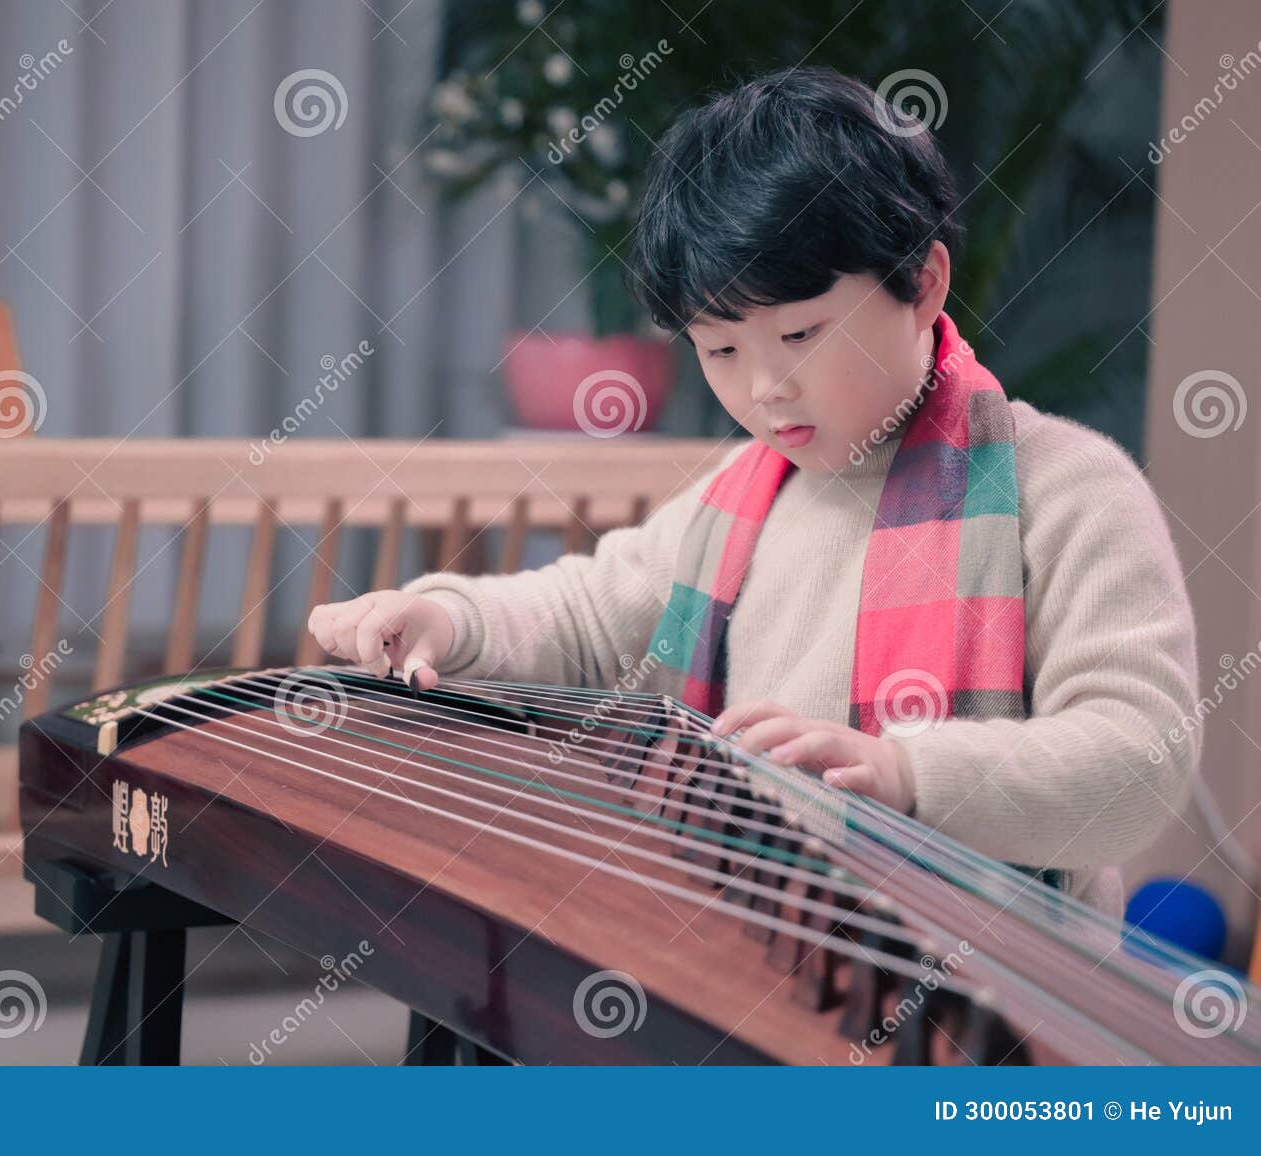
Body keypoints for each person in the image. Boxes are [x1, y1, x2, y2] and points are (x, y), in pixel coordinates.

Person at [305, 66, 1198, 921]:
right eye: (722, 349)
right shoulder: (743, 495)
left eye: (802, 334)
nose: (765, 387)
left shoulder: (1067, 490)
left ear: (922, 283)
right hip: (763, 959)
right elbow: (587, 616)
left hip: (984, 1020)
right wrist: (447, 619)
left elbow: (1140, 760)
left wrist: (904, 776)